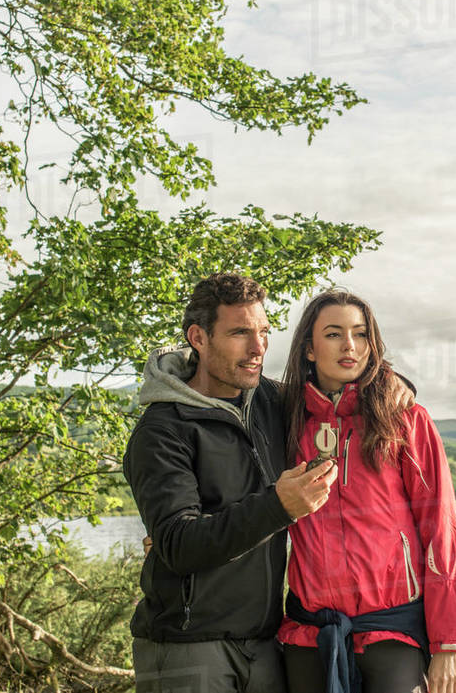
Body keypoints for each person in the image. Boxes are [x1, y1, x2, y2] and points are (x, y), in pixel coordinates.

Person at [123, 273, 339, 693]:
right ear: (198, 337)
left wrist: (393, 384)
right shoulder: (162, 430)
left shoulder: (272, 402)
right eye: (240, 332)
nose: (258, 348)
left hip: (263, 644)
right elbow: (179, 545)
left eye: (263, 332)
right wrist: (279, 506)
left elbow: (340, 388)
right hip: (188, 646)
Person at [278, 290, 456, 693]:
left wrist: (448, 644)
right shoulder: (285, 421)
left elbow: (441, 529)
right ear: (309, 349)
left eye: (361, 334)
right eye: (333, 334)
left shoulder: (405, 419)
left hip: (391, 628)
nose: (350, 345)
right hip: (309, 632)